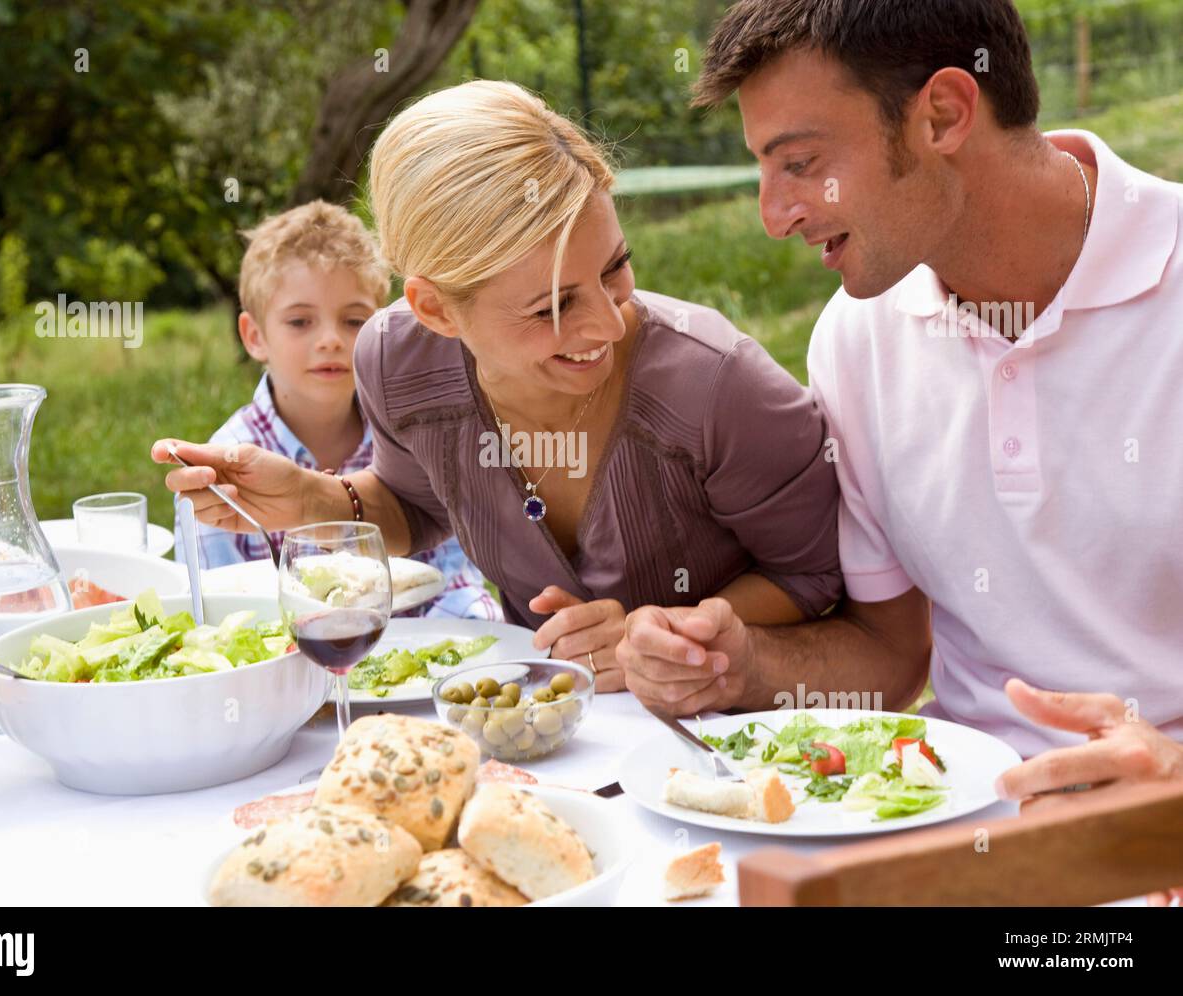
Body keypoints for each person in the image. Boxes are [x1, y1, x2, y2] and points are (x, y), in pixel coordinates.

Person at [616, 0, 1183, 903]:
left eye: (801, 164)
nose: (775, 215)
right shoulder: (856, 336)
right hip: (947, 839)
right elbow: (889, 657)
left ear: (945, 114)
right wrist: (741, 664)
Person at [154, 80, 843, 692]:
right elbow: (417, 506)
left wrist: (663, 632)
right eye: (553, 306)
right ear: (436, 310)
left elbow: (819, 578)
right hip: (542, 739)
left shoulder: (716, 383)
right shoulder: (397, 360)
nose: (606, 321)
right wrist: (315, 500)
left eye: (616, 268)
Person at [179, 199, 499, 620]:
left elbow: (453, 586)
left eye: (353, 321)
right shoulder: (225, 468)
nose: (330, 340)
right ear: (254, 336)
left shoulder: (417, 436)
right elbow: (222, 617)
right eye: (300, 322)